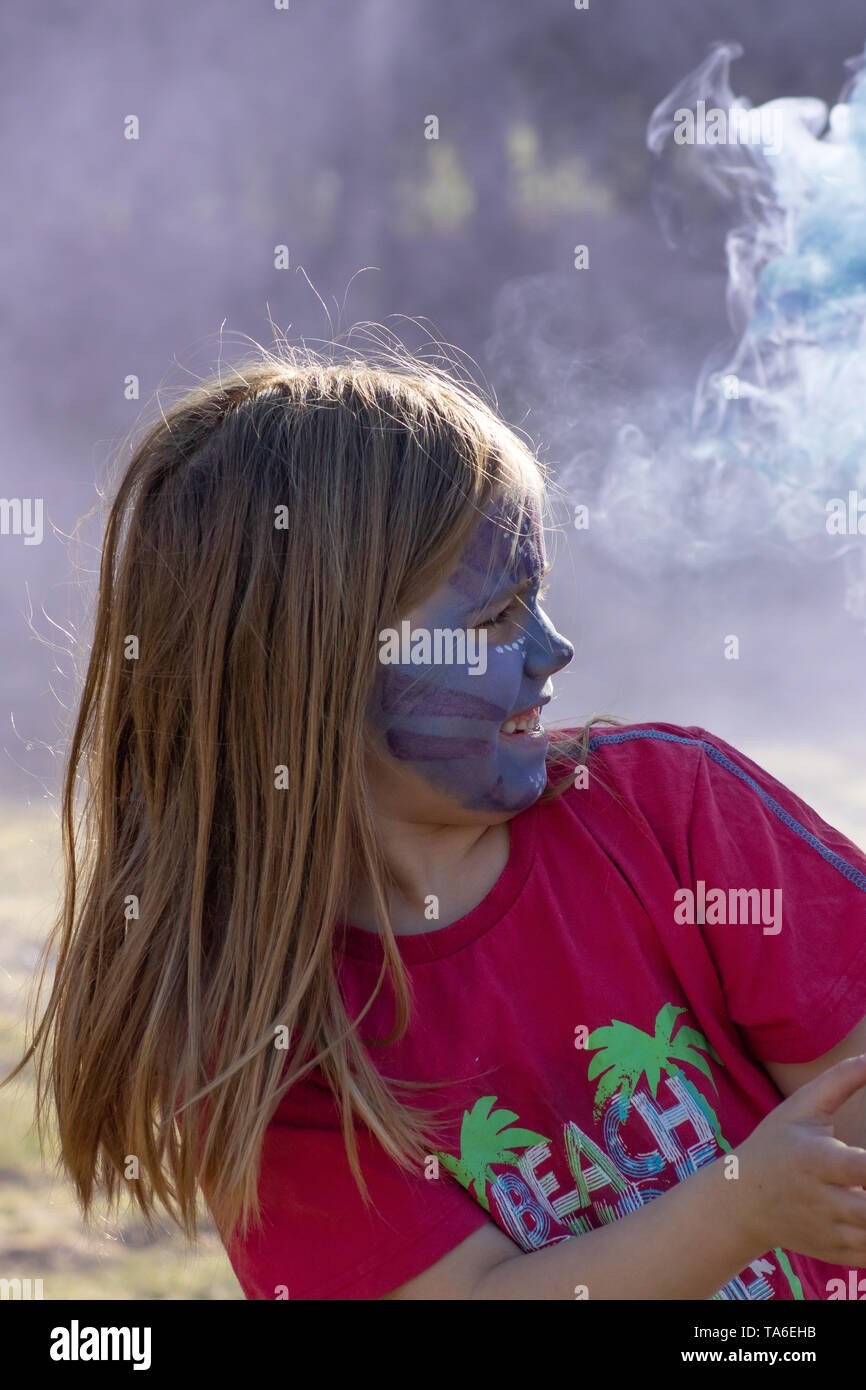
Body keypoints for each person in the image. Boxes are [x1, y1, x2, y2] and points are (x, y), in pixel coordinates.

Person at [7, 336, 866, 1302]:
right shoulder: (264, 1034)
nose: (554, 650)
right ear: (315, 676)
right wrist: (737, 1212)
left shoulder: (673, 809)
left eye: (539, 598)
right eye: (496, 617)